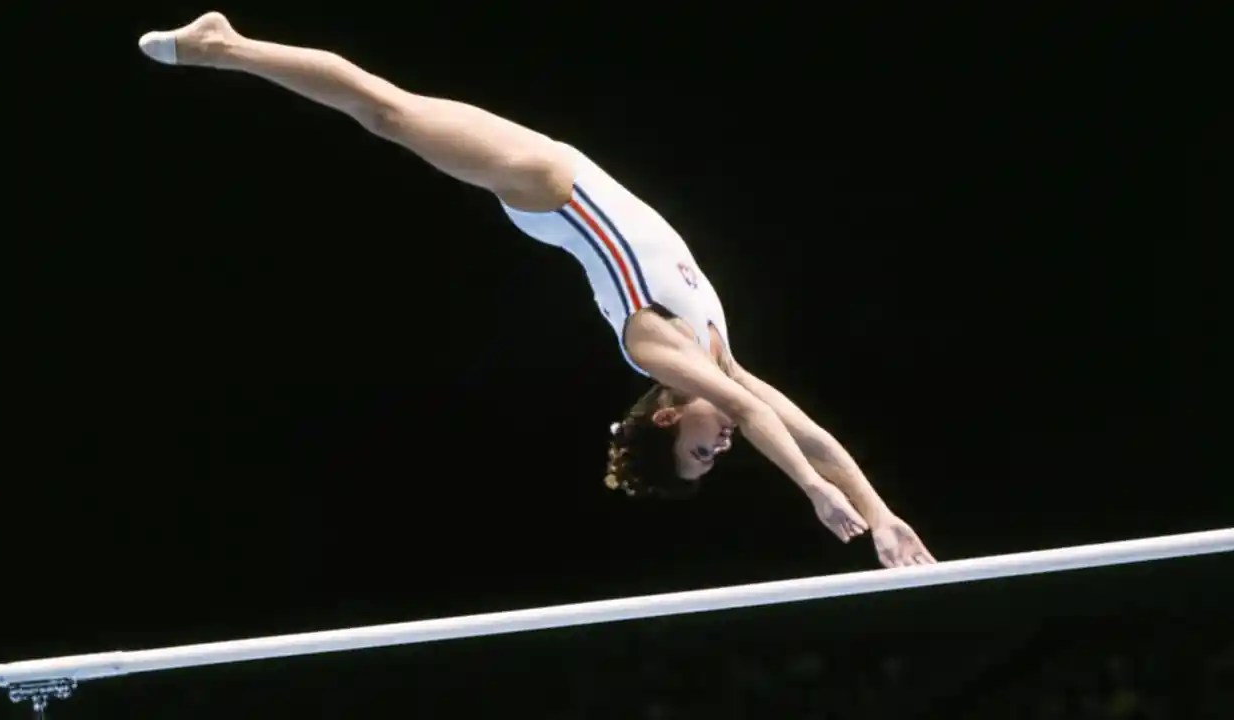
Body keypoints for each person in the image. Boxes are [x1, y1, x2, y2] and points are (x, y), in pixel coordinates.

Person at [137, 12, 936, 567]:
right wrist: (878, 515)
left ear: (666, 412)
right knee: (385, 110)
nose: (720, 445)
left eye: (700, 450)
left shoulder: (650, 344)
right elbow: (816, 439)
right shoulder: (724, 368)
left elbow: (777, 430)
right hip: (557, 182)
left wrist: (818, 494)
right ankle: (226, 46)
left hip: (548, 188)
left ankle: (226, 47)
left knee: (384, 111)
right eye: (714, 457)